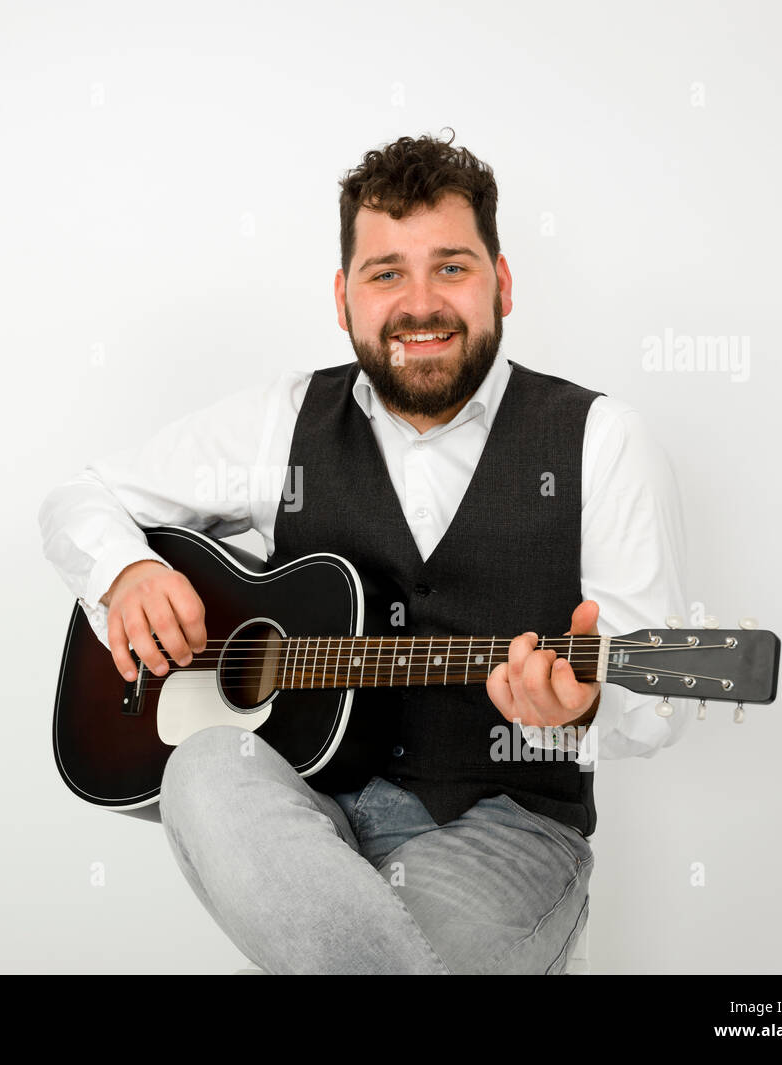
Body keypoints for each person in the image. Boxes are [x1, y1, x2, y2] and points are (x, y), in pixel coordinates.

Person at [39, 129, 692, 974]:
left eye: (451, 267)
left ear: (502, 282)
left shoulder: (602, 441)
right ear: (344, 297)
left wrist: (580, 706)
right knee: (203, 764)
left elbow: (657, 702)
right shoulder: (280, 421)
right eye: (388, 274)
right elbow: (78, 499)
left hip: (506, 822)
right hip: (307, 805)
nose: (420, 304)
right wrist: (126, 572)